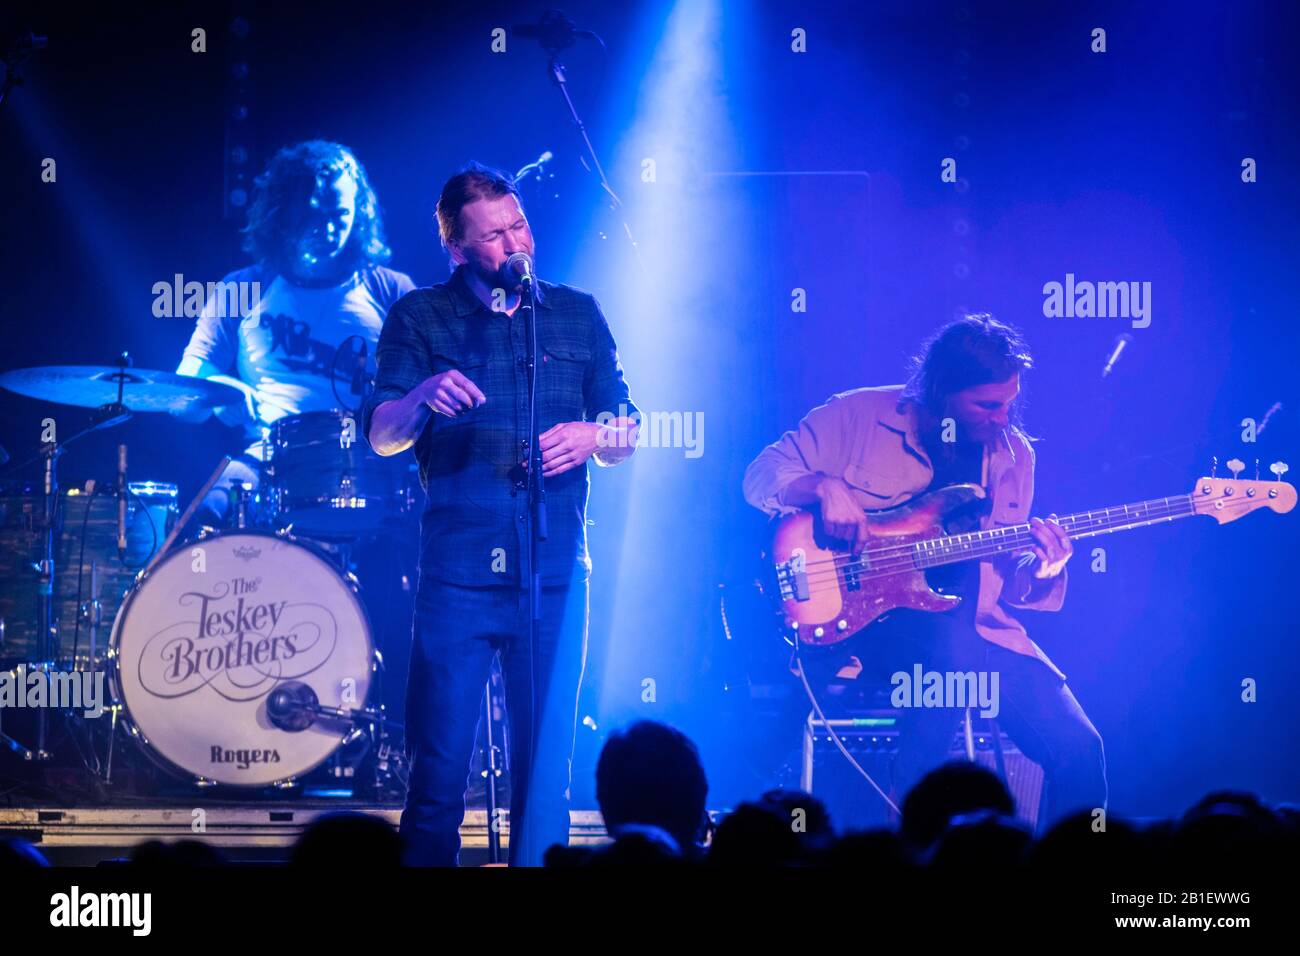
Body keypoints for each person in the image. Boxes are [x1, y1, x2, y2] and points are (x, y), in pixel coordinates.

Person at [364, 162, 640, 866]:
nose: (517, 244)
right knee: (438, 777)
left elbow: (627, 427)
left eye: (520, 225)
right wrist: (422, 394)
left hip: (553, 577)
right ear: (456, 248)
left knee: (546, 780)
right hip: (458, 580)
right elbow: (381, 432)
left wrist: (592, 436)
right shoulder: (419, 316)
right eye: (495, 235)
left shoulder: (576, 312)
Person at [743, 314, 1107, 829]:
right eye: (986, 405)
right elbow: (759, 477)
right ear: (941, 391)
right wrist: (823, 487)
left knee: (1079, 748)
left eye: (1009, 403)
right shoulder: (859, 415)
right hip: (850, 616)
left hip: (969, 626)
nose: (1003, 419)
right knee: (766, 734)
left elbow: (1013, 571)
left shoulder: (1013, 456)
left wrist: (1047, 565)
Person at [175, 140, 414, 524]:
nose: (328, 229)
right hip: (267, 459)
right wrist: (221, 389)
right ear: (283, 215)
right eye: (312, 216)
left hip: (370, 465)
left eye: (341, 214)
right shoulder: (243, 289)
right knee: (202, 519)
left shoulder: (392, 291)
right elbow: (181, 390)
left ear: (360, 213)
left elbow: (436, 387)